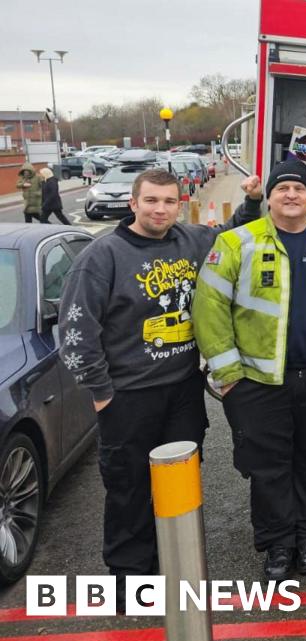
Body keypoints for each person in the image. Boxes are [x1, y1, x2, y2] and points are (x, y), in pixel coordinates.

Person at [57, 167, 262, 608]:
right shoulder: (102, 256)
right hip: (127, 397)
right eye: (151, 201)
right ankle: (130, 576)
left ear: (179, 204)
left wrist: (251, 202)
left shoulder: (191, 241)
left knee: (179, 485)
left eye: (169, 201)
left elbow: (232, 233)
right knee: (129, 487)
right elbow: (76, 330)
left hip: (182, 392)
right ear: (133, 203)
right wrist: (101, 391)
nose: (160, 209)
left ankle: (174, 563)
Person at [194, 159, 306, 582]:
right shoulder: (235, 243)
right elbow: (209, 306)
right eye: (282, 188)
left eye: (299, 190)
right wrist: (228, 373)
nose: (291, 195)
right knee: (268, 467)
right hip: (256, 382)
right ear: (268, 197)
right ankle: (276, 545)